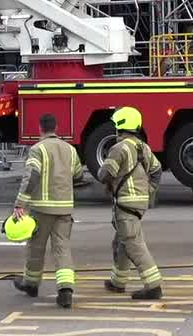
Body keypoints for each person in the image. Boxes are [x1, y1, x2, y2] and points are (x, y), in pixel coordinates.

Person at [12, 112, 83, 308]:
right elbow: (77, 174)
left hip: (42, 209)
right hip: (65, 209)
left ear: (40, 128)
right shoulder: (70, 149)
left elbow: (32, 176)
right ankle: (65, 289)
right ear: (56, 128)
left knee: (36, 248)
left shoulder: (38, 149)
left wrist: (20, 203)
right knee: (62, 249)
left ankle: (31, 284)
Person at [98, 106, 163, 300]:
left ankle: (153, 286)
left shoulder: (119, 148)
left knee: (134, 244)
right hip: (138, 201)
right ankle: (118, 282)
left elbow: (104, 174)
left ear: (120, 126)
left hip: (126, 202)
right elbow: (157, 170)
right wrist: (148, 191)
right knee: (122, 242)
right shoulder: (142, 146)